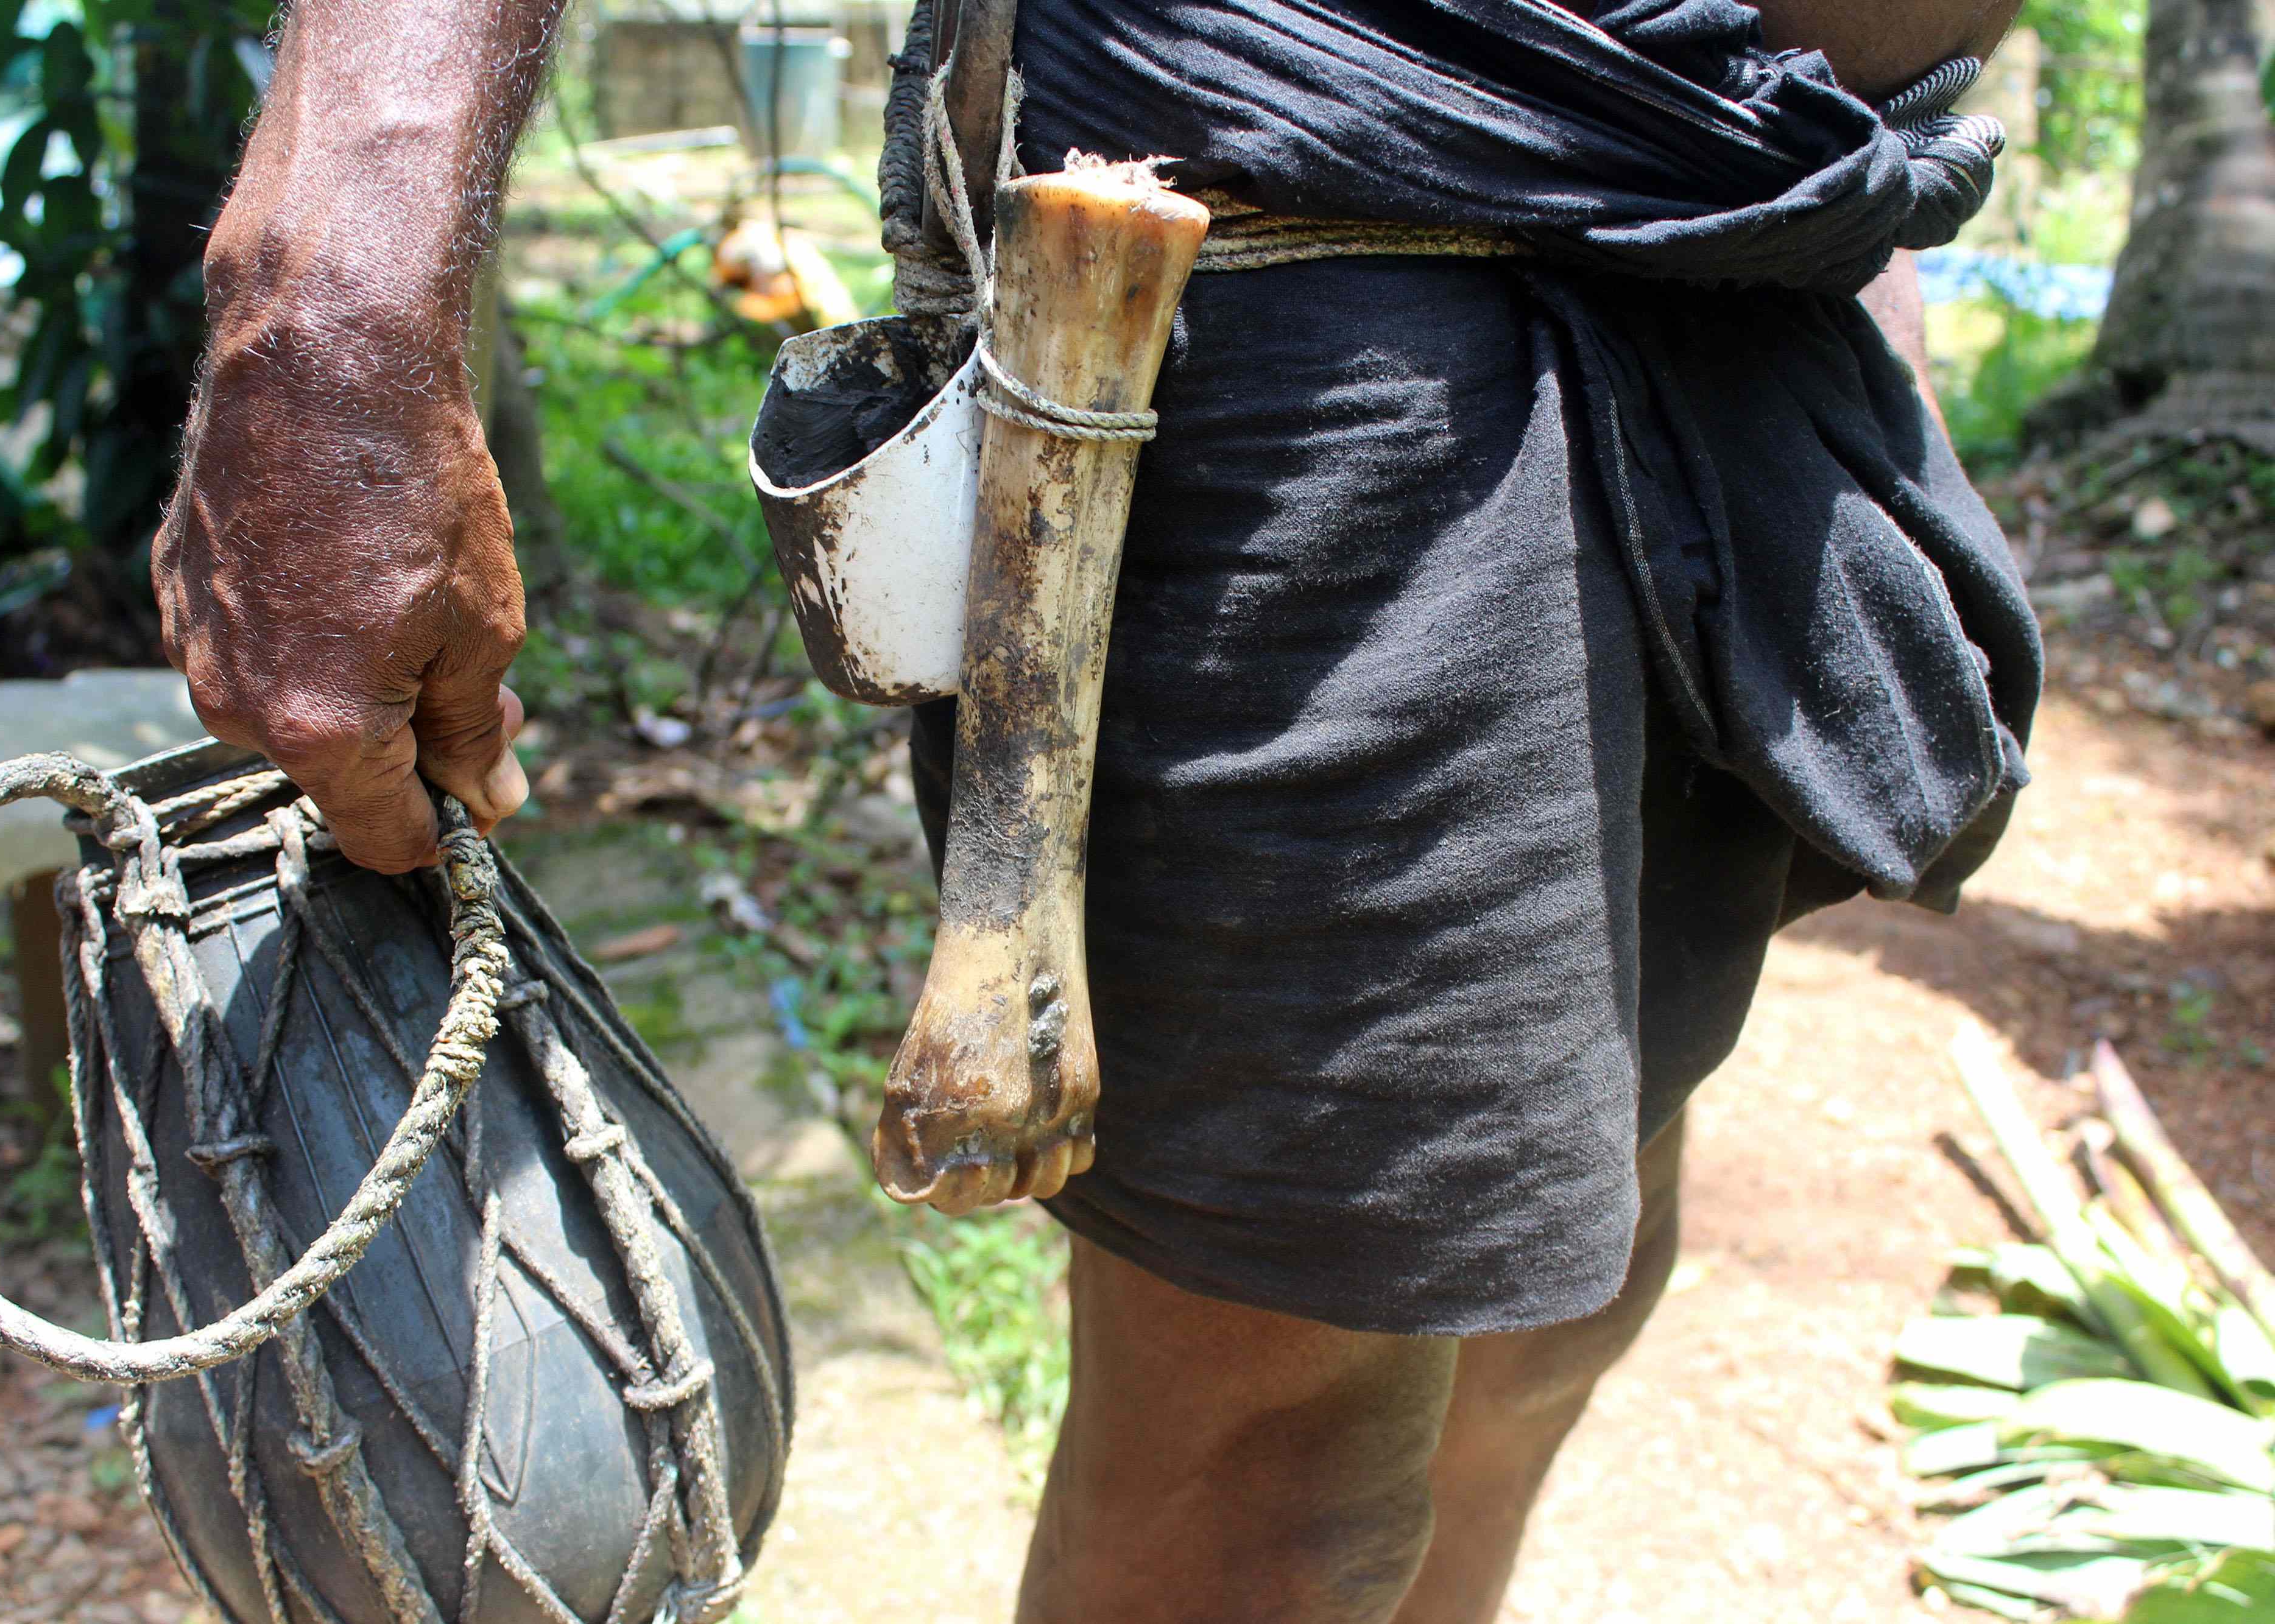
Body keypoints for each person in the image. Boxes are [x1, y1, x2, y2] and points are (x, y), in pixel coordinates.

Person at [153, 2, 2041, 1620]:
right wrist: (327, 288)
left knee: (1558, 1268)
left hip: (1741, 218)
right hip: (1331, 220)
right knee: (1279, 1457)